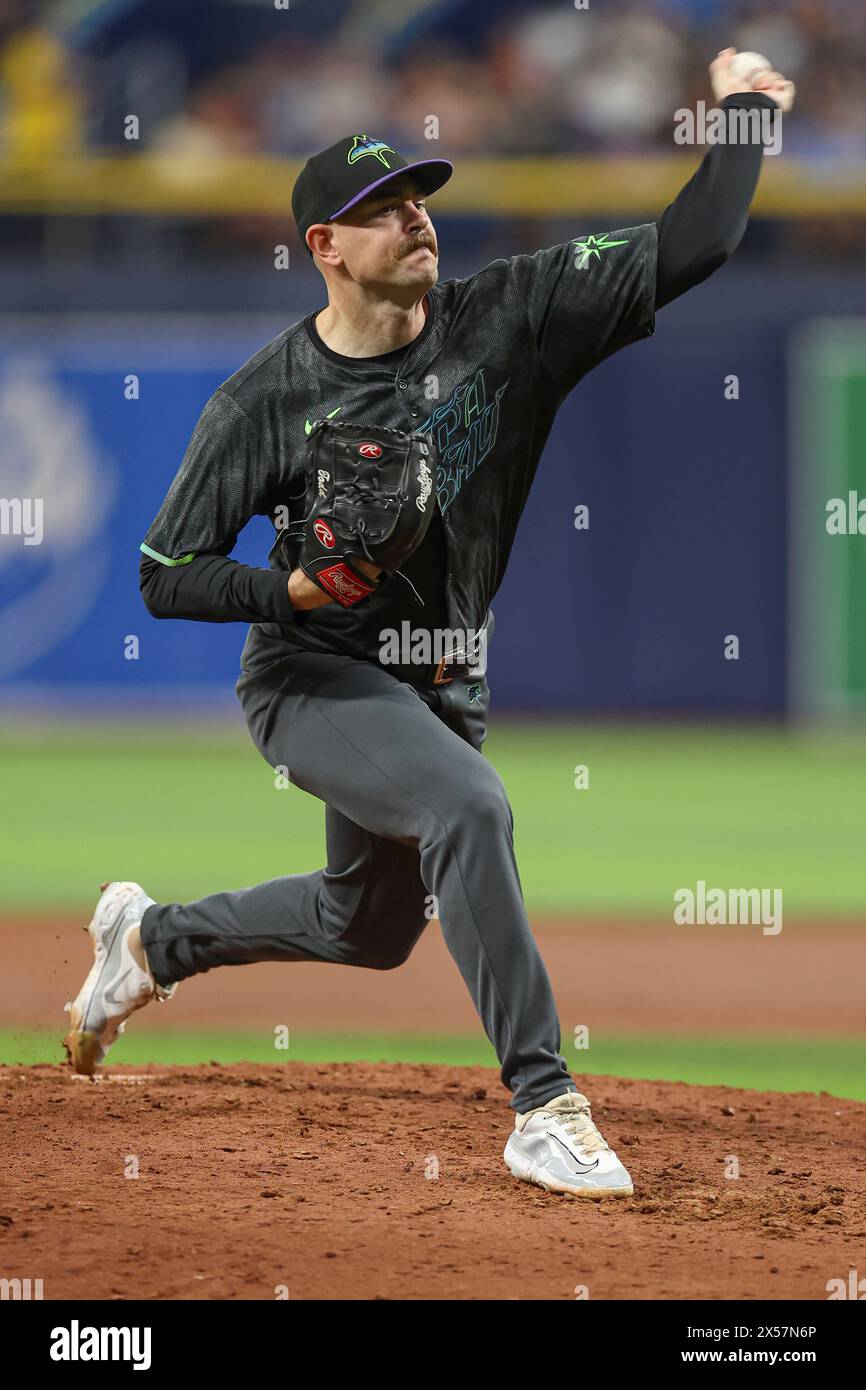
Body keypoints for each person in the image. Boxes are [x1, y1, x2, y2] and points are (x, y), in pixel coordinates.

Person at [65, 53, 794, 1198]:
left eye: (419, 199)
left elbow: (690, 239)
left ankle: (150, 942)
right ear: (323, 247)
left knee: (367, 925)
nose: (416, 219)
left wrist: (746, 106)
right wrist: (284, 594)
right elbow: (165, 571)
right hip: (311, 677)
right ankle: (544, 1103)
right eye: (383, 208)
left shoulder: (512, 316)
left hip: (441, 682)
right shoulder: (265, 399)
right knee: (468, 805)